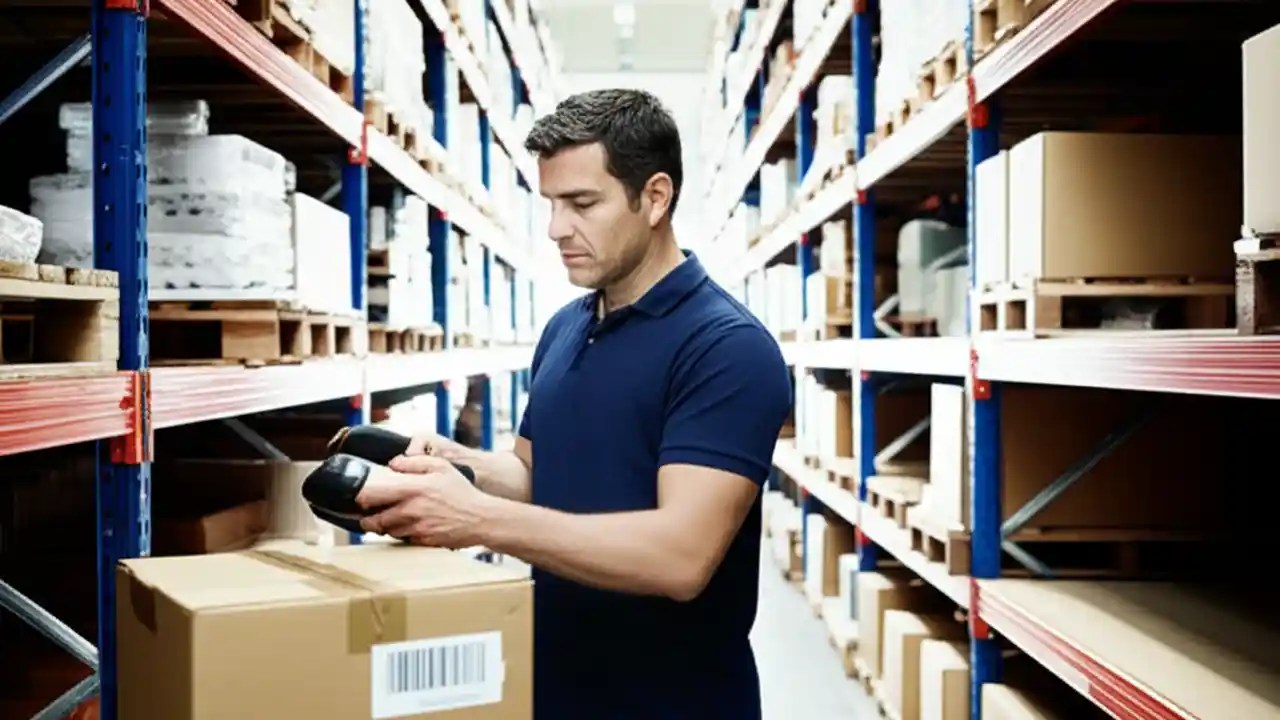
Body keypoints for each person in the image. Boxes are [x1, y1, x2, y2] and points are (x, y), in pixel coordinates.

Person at [356, 88, 793, 719]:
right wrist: (456, 465)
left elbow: (681, 556)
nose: (558, 228)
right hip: (556, 686)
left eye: (582, 203)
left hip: (674, 702)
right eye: (552, 204)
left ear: (655, 198)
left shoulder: (727, 349)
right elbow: (538, 472)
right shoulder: (566, 326)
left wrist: (475, 519)